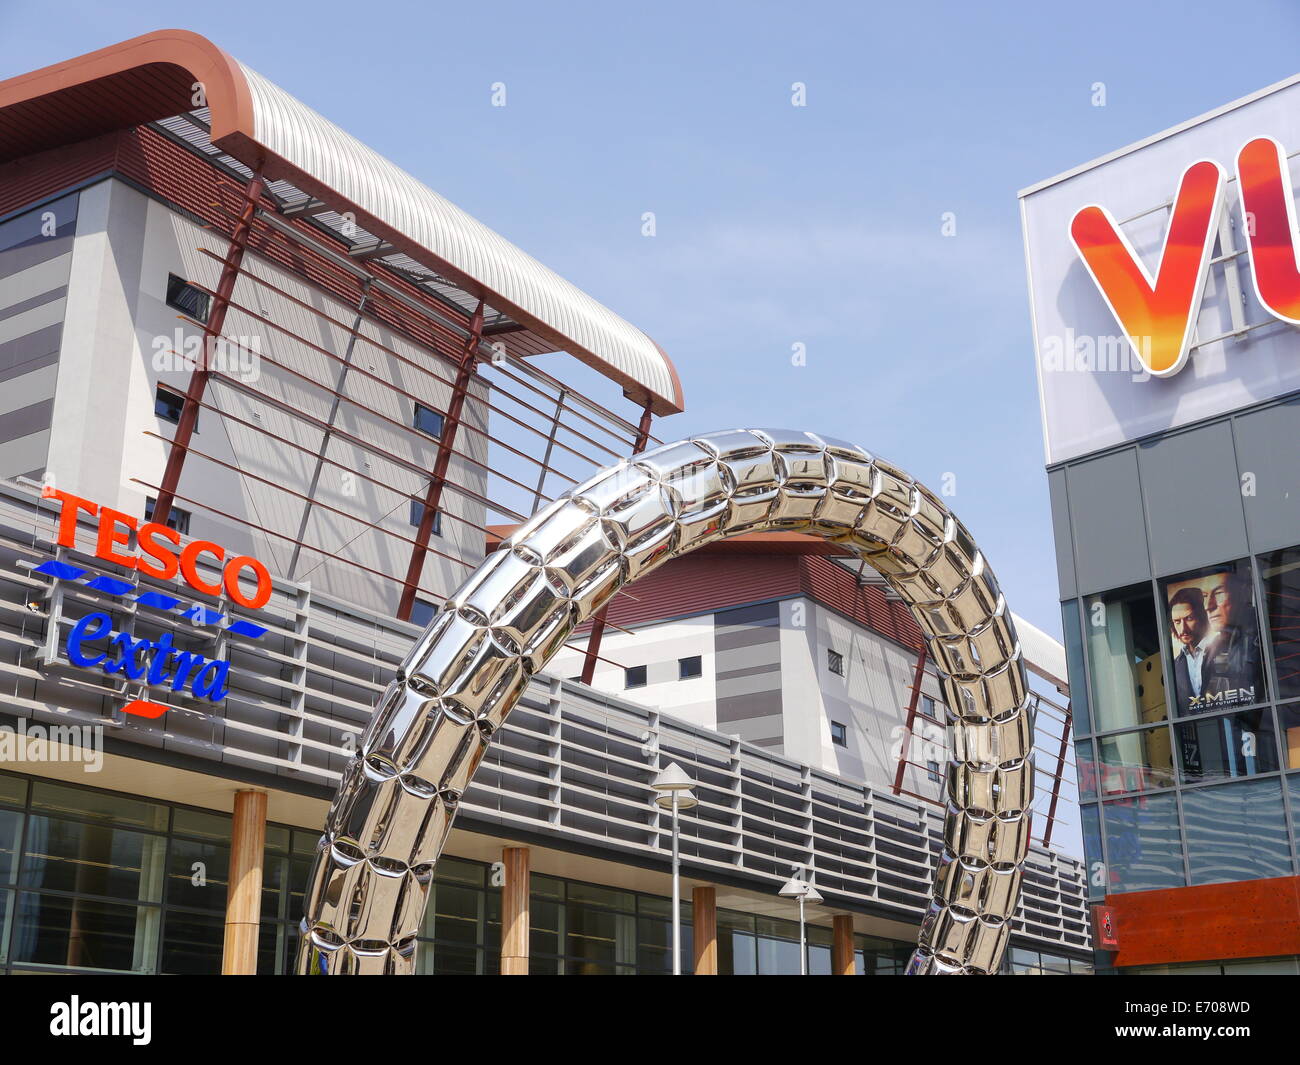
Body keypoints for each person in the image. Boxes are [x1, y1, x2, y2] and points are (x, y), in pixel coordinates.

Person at [1199, 569, 1265, 711]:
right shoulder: (1213, 647)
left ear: (1244, 592)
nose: (1208, 606)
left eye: (1219, 593)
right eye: (1204, 596)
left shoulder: (1265, 631)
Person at [1168, 586, 1210, 714]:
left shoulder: (1224, 650)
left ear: (1202, 616)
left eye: (1189, 618)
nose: (1183, 629)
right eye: (1177, 621)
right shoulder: (1174, 666)